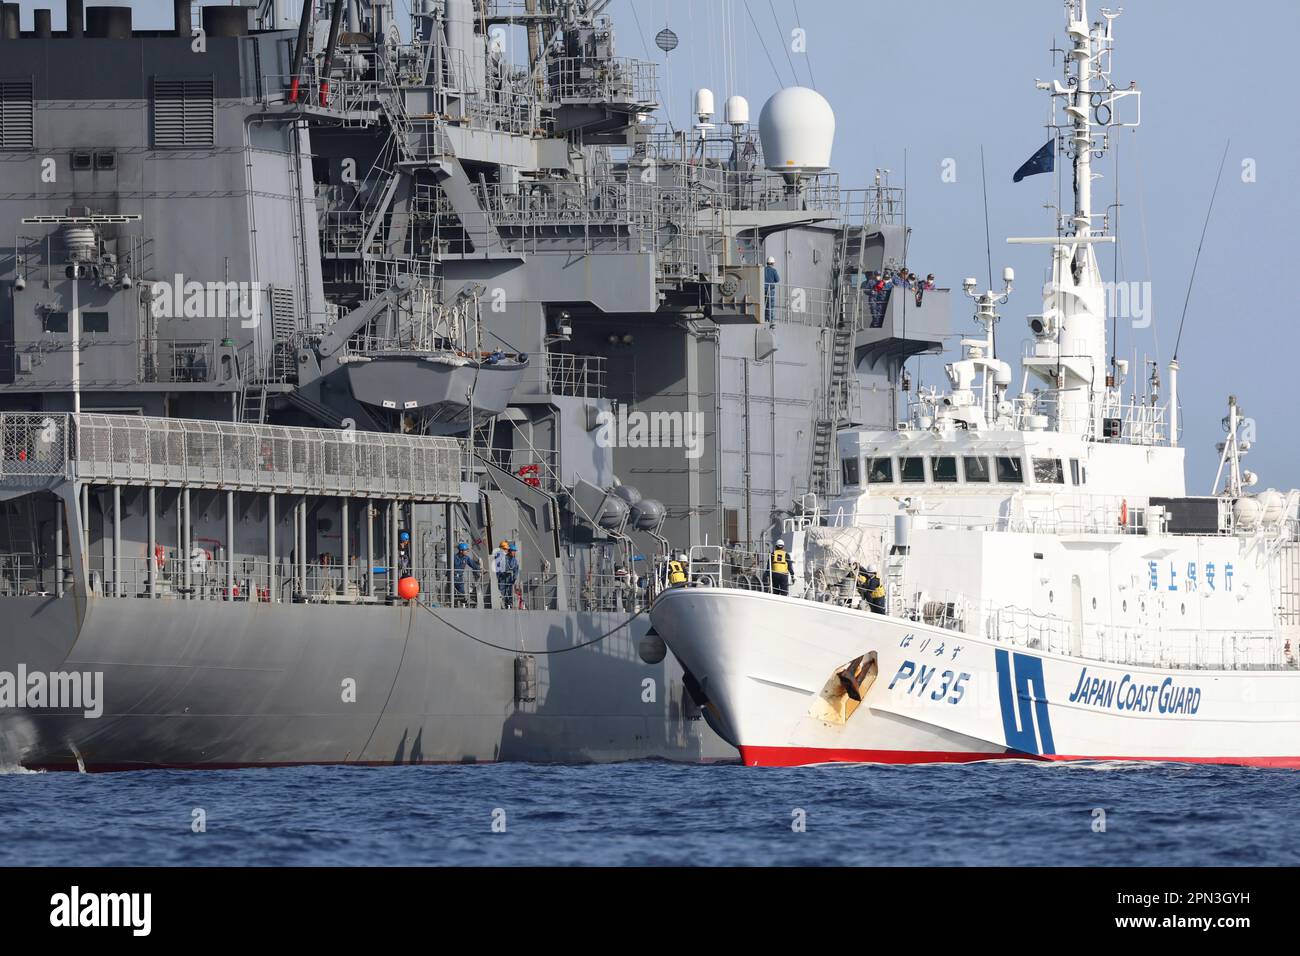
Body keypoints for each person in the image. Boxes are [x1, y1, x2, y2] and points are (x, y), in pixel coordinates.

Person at [453, 542, 481, 606]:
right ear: (461, 551)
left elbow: (473, 564)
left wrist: (479, 569)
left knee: (462, 593)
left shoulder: (466, 558)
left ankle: (463, 604)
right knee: (451, 593)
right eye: (465, 550)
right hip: (452, 578)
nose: (467, 551)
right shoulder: (454, 557)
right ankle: (451, 604)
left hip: (459, 578)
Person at [494, 541, 520, 609]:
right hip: (502, 578)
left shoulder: (514, 560)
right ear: (509, 551)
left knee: (509, 591)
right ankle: (501, 604)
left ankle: (509, 604)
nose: (514, 553)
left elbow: (516, 569)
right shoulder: (503, 558)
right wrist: (500, 574)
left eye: (515, 551)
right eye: (513, 551)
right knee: (502, 591)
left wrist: (515, 577)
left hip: (509, 578)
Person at [763, 255, 780, 319]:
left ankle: (764, 318)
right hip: (771, 290)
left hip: (763, 289)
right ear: (773, 263)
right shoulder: (774, 270)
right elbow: (777, 280)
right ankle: (771, 319)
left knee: (764, 304)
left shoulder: (763, 270)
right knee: (771, 305)